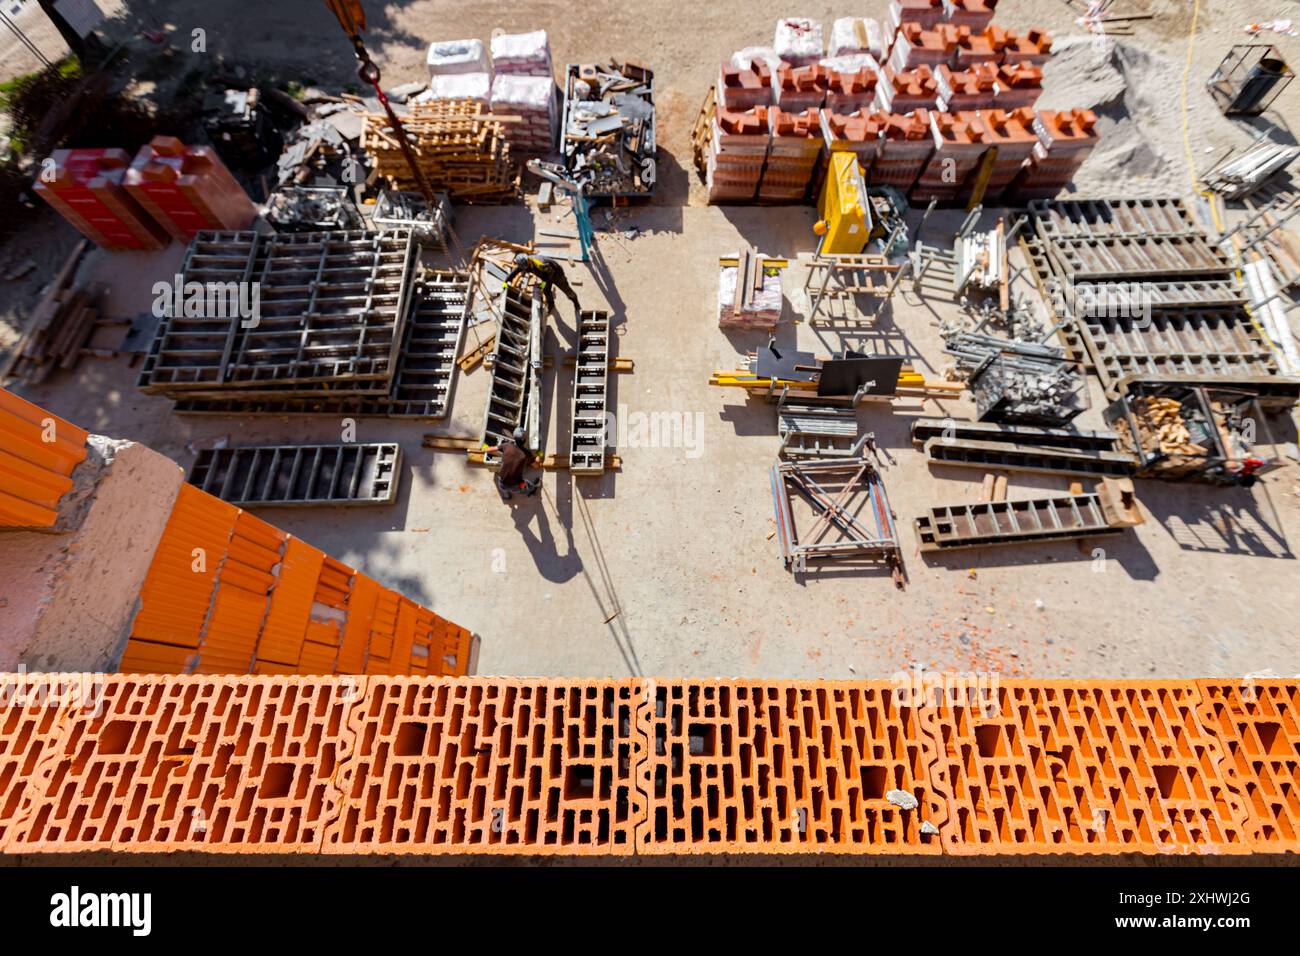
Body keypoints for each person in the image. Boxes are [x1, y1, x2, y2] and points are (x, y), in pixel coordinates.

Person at [503, 253, 580, 315]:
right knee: (546, 291)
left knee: (566, 290)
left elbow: (551, 272)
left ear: (528, 260)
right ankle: (551, 305)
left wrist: (544, 283)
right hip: (545, 275)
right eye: (524, 268)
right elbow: (514, 272)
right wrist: (505, 282)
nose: (526, 269)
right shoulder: (524, 264)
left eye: (527, 266)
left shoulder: (540, 263)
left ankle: (576, 303)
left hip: (556, 274)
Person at [487, 427, 541, 500]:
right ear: (524, 440)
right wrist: (538, 458)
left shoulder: (506, 445)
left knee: (504, 488)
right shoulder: (527, 454)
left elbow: (490, 449)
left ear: (514, 437)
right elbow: (536, 466)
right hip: (516, 484)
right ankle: (531, 490)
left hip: (502, 480)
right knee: (525, 486)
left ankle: (506, 496)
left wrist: (485, 449)